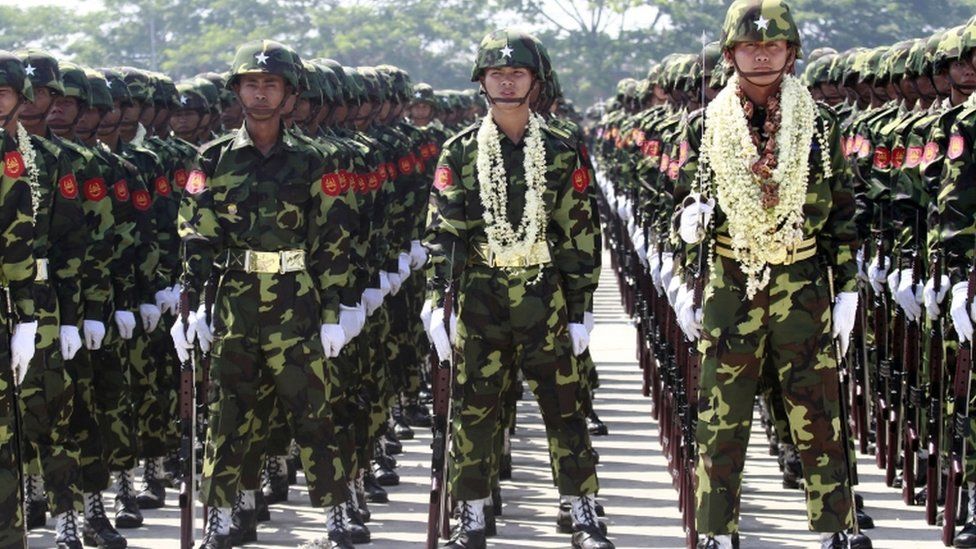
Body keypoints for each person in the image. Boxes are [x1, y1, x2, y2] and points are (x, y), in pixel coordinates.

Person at [671, 1, 865, 547]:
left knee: (818, 411)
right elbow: (682, 207)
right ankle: (714, 531)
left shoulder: (821, 127)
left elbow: (842, 217)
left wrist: (846, 290)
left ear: (791, 52)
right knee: (721, 418)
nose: (761, 55)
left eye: (773, 45)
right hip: (731, 282)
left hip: (801, 282)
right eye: (749, 46)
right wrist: (687, 246)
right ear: (731, 53)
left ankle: (836, 528)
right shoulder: (704, 123)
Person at [424, 28, 612, 549]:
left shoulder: (558, 149)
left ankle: (582, 509)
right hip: (481, 295)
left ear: (535, 81)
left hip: (542, 294)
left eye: (517, 73)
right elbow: (443, 234)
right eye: (496, 73)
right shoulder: (459, 152)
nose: (507, 82)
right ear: (482, 82)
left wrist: (581, 307)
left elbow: (578, 232)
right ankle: (473, 513)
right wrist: (437, 301)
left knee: (564, 405)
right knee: (475, 408)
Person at [171, 39, 358, 549]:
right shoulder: (210, 160)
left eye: (270, 84)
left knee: (314, 412)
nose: (260, 92)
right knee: (229, 414)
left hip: (297, 298)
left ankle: (336, 515)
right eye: (250, 84)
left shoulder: (316, 161)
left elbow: (334, 238)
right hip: (235, 300)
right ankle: (222, 516)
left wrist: (334, 310)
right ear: (237, 91)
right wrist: (191, 305)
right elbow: (196, 235)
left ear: (290, 94)